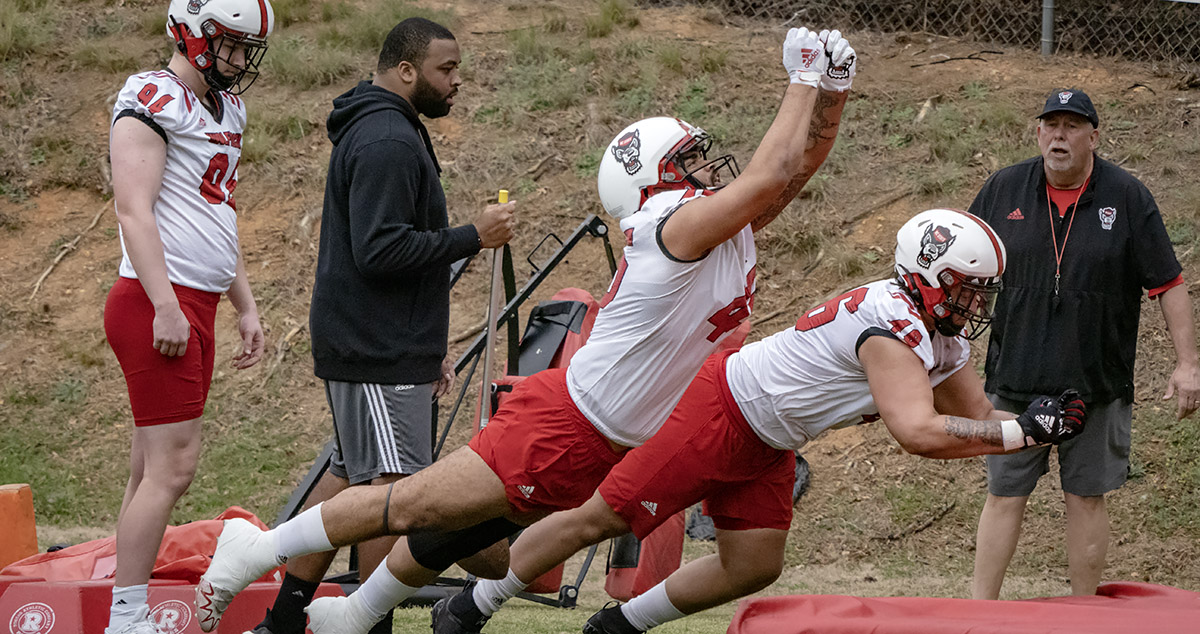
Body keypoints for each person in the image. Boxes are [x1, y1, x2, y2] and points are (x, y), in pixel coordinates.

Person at [196, 26, 849, 634]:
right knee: (407, 503)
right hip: (565, 425)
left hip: (600, 439)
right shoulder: (672, 226)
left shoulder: (710, 227)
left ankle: (355, 613)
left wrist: (831, 92)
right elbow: (768, 173)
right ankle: (255, 549)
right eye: (692, 158)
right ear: (657, 180)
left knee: (464, 534)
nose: (710, 167)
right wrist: (801, 76)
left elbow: (790, 173)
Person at [430, 208, 1089, 634]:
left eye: (983, 291)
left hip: (769, 436)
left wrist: (1040, 423)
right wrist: (1019, 432)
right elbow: (919, 432)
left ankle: (620, 625)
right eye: (968, 287)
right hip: (722, 410)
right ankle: (468, 608)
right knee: (601, 517)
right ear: (927, 274)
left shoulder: (937, 334)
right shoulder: (892, 324)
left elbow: (977, 420)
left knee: (753, 563)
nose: (976, 303)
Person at [242, 17, 515, 634]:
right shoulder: (387, 138)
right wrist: (473, 235)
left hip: (386, 343)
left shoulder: (392, 128)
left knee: (350, 477)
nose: (457, 81)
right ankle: (367, 626)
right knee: (393, 495)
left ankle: (282, 621)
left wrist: (426, 345)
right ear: (407, 70)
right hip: (375, 349)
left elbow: (389, 251)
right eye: (447, 69)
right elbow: (381, 249)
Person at [968, 88, 1200, 599]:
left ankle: (1083, 615)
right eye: (1051, 125)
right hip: (1014, 380)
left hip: (1097, 382)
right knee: (1003, 494)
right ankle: (980, 614)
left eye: (1072, 126)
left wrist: (1188, 363)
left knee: (1086, 497)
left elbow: (1168, 283)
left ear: (1093, 137)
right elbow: (964, 268)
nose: (1060, 136)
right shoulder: (1003, 189)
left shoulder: (1128, 196)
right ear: (1038, 133)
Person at [102, 1, 272, 633]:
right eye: (231, 44)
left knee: (150, 467)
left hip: (193, 299)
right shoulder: (153, 96)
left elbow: (215, 215)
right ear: (194, 33)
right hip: (157, 301)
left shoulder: (227, 108)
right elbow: (133, 209)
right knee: (173, 467)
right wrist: (166, 306)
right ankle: (127, 617)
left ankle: (125, 600)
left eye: (246, 47)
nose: (240, 58)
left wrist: (243, 303)